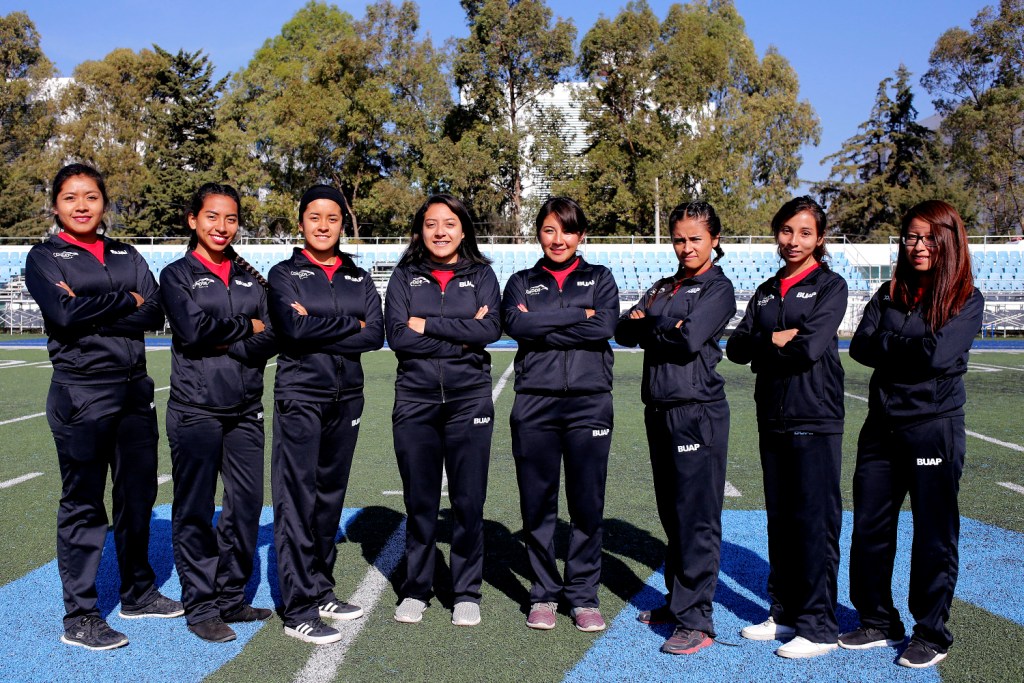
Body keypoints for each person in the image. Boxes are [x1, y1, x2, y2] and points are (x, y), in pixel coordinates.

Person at [25, 163, 182, 651]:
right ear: (56, 206)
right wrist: (124, 299)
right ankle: (81, 615)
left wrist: (101, 302)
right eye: (70, 197)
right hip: (81, 392)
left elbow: (154, 310)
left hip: (135, 390)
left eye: (90, 196)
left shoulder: (126, 252)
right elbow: (63, 315)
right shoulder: (44, 257)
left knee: (136, 499)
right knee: (84, 505)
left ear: (104, 204)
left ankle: (137, 591)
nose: (81, 205)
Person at [841, 200, 983, 669]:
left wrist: (896, 347)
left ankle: (932, 632)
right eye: (911, 237)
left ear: (949, 240)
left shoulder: (965, 297)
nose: (919, 246)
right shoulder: (889, 291)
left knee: (933, 534)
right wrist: (913, 347)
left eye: (929, 238)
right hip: (881, 427)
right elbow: (860, 345)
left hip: (932, 428)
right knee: (869, 528)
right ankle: (879, 620)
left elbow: (939, 357)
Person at [726, 196, 848, 659]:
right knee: (781, 519)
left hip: (814, 415)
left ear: (819, 238)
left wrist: (771, 344)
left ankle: (818, 626)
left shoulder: (830, 286)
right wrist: (771, 338)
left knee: (815, 522)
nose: (793, 240)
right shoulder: (766, 289)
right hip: (771, 414)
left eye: (804, 232)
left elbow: (810, 349)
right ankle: (786, 612)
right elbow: (736, 348)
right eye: (786, 231)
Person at [615, 201, 736, 654]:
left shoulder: (718, 289)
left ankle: (697, 621)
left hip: (696, 412)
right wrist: (659, 323)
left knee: (697, 518)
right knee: (672, 514)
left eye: (695, 239)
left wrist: (653, 323)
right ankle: (678, 600)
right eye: (680, 239)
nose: (686, 247)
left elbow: (688, 340)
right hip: (659, 408)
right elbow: (622, 329)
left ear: (715, 241)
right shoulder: (665, 285)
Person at [159, 183, 276, 643]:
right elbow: (190, 332)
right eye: (212, 217)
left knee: (246, 506)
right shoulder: (176, 275)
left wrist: (232, 340)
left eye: (230, 219)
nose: (221, 227)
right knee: (195, 510)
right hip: (196, 410)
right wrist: (247, 327)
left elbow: (276, 336)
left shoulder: (252, 278)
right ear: (193, 220)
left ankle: (231, 596)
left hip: (246, 409)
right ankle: (202, 606)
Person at [268, 185, 384, 645]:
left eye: (331, 218)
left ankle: (320, 589)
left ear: (341, 223)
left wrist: (320, 325)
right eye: (314, 217)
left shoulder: (357, 275)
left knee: (328, 498)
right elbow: (292, 331)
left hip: (347, 398)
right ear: (301, 223)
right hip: (301, 396)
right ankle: (298, 607)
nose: (322, 225)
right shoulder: (284, 274)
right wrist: (346, 326)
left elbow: (374, 334)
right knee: (297, 500)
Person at [500, 197, 618, 633]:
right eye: (549, 230)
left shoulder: (600, 278)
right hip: (535, 403)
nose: (558, 239)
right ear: (539, 234)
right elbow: (516, 324)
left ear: (581, 235)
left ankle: (583, 595)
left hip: (589, 402)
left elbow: (604, 327)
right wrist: (577, 315)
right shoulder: (520, 281)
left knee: (587, 505)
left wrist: (546, 319)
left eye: (567, 230)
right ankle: (544, 593)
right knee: (538, 505)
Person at [384, 194, 501, 627]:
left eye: (449, 223)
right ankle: (417, 587)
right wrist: (462, 334)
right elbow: (398, 337)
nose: (440, 232)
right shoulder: (404, 276)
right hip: (415, 400)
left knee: (469, 500)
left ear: (463, 229)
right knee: (420, 500)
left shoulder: (482, 275)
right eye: (431, 224)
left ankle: (466, 589)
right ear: (421, 230)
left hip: (469, 398)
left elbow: (490, 329)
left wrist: (428, 325)